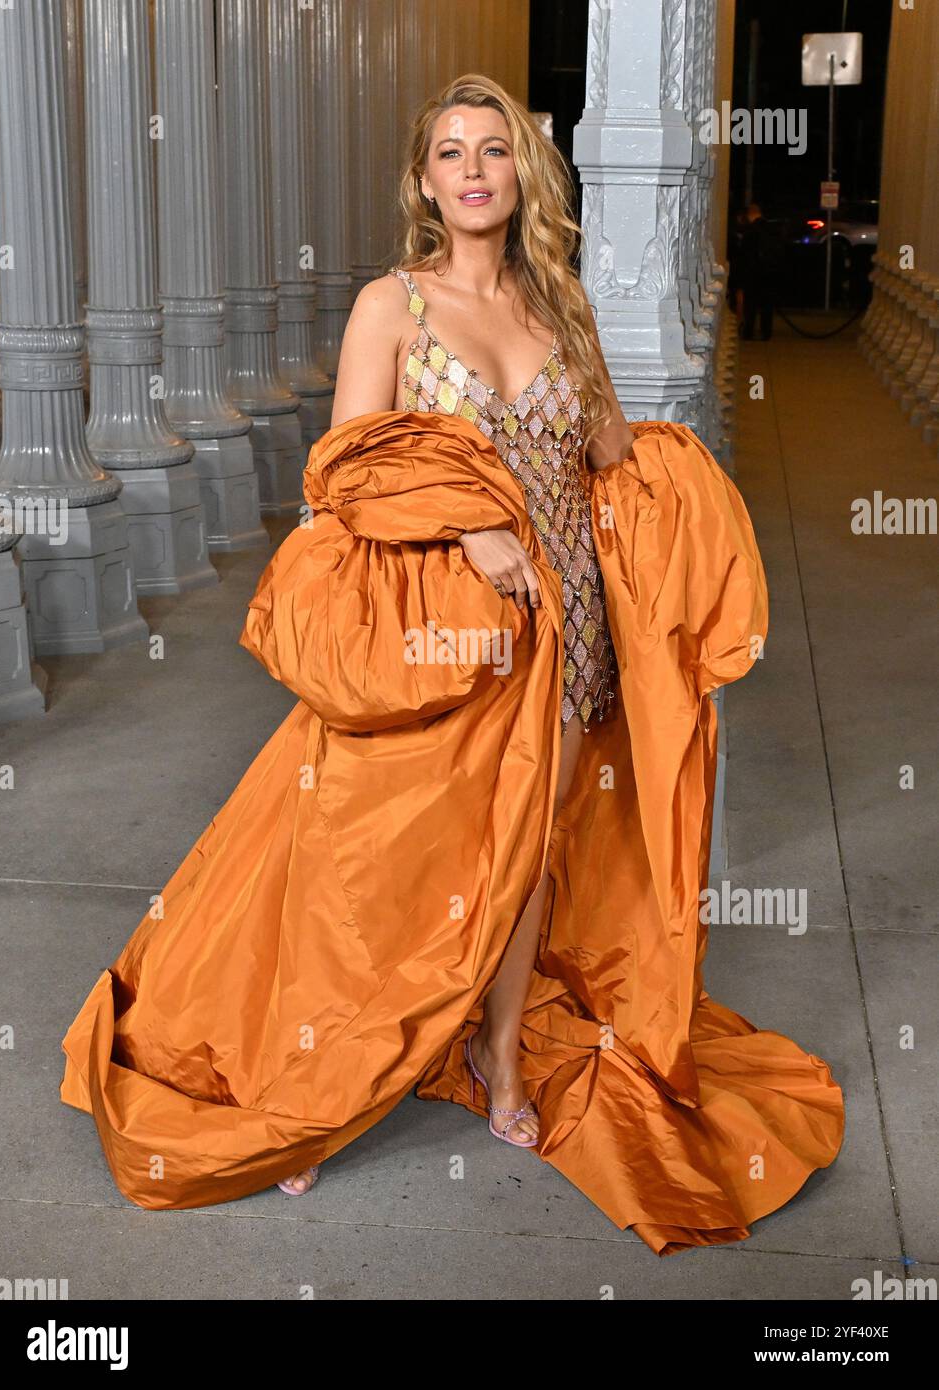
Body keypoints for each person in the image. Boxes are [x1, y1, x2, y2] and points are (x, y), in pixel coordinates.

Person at [60, 75, 844, 1257]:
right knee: (379, 861)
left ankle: (490, 1050)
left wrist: (675, 539)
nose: (473, 169)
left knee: (527, 848)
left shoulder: (558, 299)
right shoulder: (393, 306)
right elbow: (344, 470)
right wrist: (466, 520)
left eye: (494, 149)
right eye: (450, 152)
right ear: (423, 180)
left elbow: (607, 456)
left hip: (564, 627)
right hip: (450, 634)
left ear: (520, 173)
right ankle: (320, 1088)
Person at [738, 203, 785, 340]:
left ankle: (748, 332)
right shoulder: (772, 229)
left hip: (753, 274)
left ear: (749, 215)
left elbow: (744, 256)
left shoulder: (750, 231)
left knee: (751, 305)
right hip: (769, 273)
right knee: (767, 305)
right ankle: (766, 332)